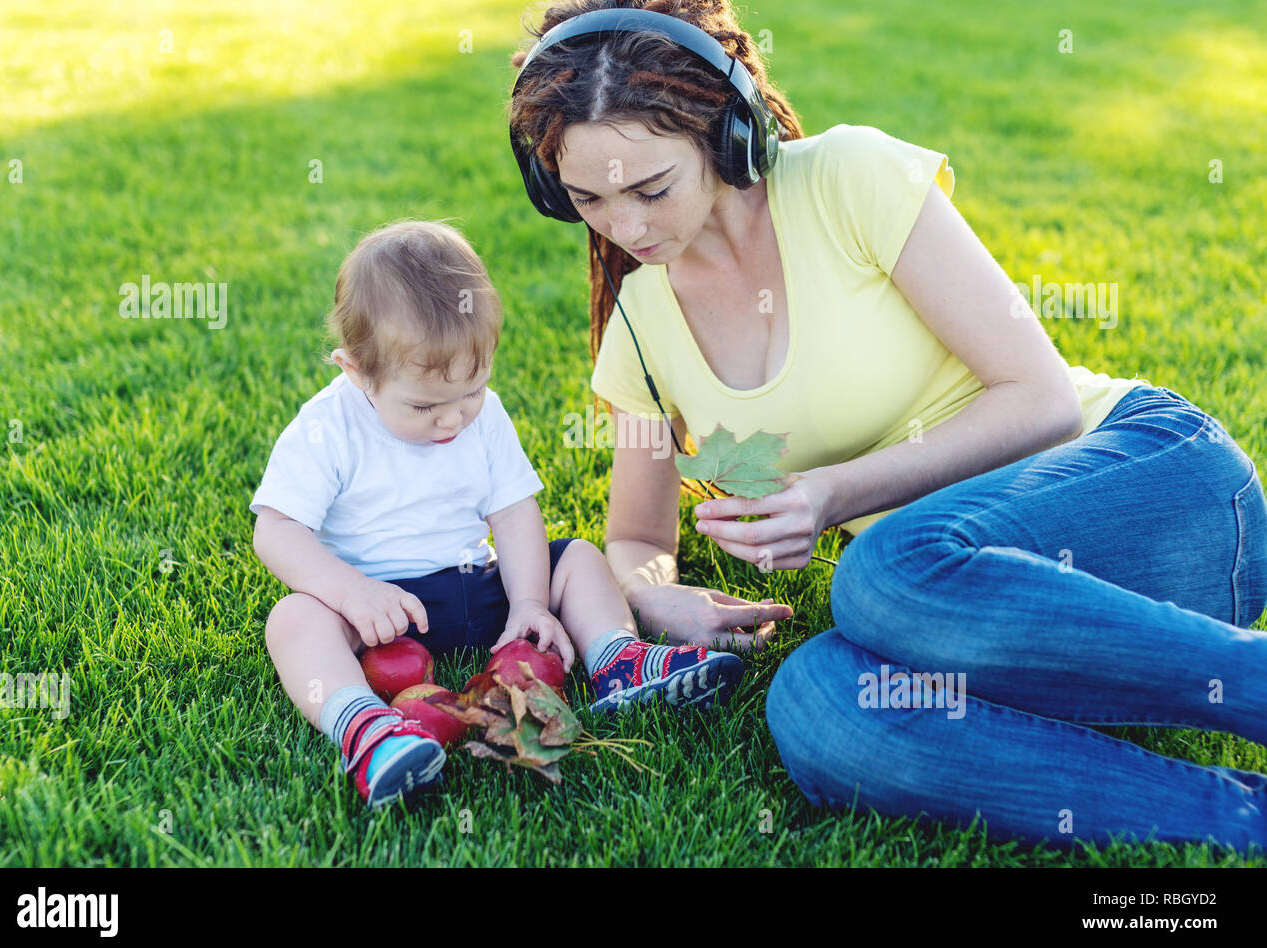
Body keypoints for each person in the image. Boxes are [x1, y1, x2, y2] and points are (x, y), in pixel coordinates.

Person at [507, 0, 1267, 853]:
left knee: (876, 574)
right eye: (589, 200)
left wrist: (832, 494)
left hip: (1157, 493)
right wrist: (652, 592)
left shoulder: (847, 180)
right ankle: (1238, 816)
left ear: (726, 132)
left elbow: (1041, 396)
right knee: (817, 703)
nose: (629, 227)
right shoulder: (641, 327)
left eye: (651, 188)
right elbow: (637, 531)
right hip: (991, 619)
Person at [249, 219, 743, 809]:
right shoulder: (327, 428)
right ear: (356, 372)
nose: (454, 420)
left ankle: (620, 658)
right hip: (375, 615)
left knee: (578, 559)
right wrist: (352, 593)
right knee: (294, 619)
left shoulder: (484, 417)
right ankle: (366, 728)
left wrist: (531, 601)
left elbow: (513, 513)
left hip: (477, 591)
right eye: (424, 405)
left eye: (472, 391)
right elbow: (275, 531)